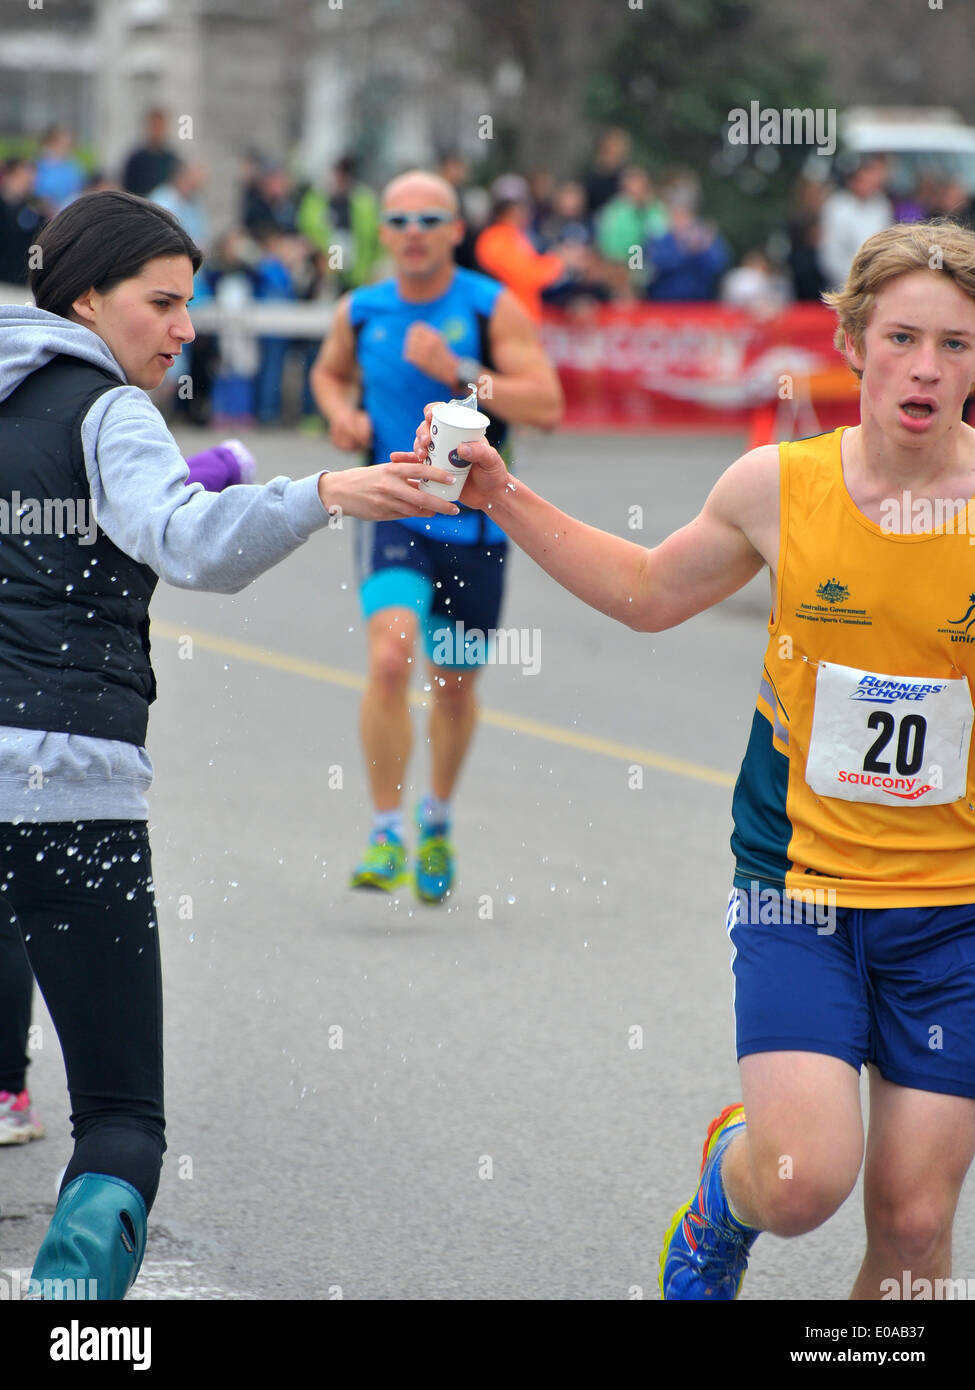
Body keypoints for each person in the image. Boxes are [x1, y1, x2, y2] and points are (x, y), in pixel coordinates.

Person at [409, 218, 975, 1300]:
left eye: (956, 344)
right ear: (853, 342)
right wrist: (499, 493)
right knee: (805, 1179)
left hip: (954, 906)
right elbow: (647, 595)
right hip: (798, 890)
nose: (927, 368)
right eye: (903, 337)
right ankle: (725, 1196)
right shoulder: (779, 486)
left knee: (915, 1221)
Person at [0, 188, 461, 1299]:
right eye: (161, 303)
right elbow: (193, 543)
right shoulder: (107, 413)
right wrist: (328, 492)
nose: (185, 329)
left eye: (188, 304)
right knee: (119, 1123)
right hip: (68, 784)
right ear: (86, 298)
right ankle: (74, 1322)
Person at [310, 169, 563, 903]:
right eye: (398, 221)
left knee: (451, 685)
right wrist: (339, 414)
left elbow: (546, 404)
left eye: (429, 220)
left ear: (456, 230)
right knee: (390, 661)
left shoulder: (489, 306)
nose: (413, 234)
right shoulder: (360, 310)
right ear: (381, 233)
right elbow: (327, 377)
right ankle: (386, 831)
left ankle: (437, 818)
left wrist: (458, 370)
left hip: (476, 525)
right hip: (393, 512)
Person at [818, 155, 893, 290]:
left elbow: (886, 244)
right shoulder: (837, 206)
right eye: (865, 175)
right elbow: (831, 254)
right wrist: (854, 281)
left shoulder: (881, 204)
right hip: (843, 285)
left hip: (875, 281)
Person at [121, 109, 179, 200]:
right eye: (154, 126)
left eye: (160, 126)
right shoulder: (136, 160)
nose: (157, 130)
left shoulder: (172, 160)